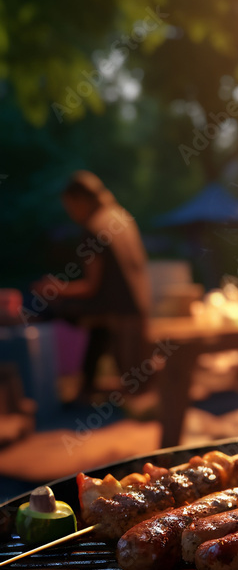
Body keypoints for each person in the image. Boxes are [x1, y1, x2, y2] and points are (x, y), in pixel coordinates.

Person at [34, 171, 152, 399]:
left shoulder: (93, 228)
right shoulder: (121, 216)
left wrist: (56, 288)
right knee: (96, 326)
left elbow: (91, 287)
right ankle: (88, 384)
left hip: (116, 310)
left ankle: (52, 386)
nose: (71, 214)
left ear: (81, 200)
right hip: (138, 306)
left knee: (50, 309)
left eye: (70, 207)